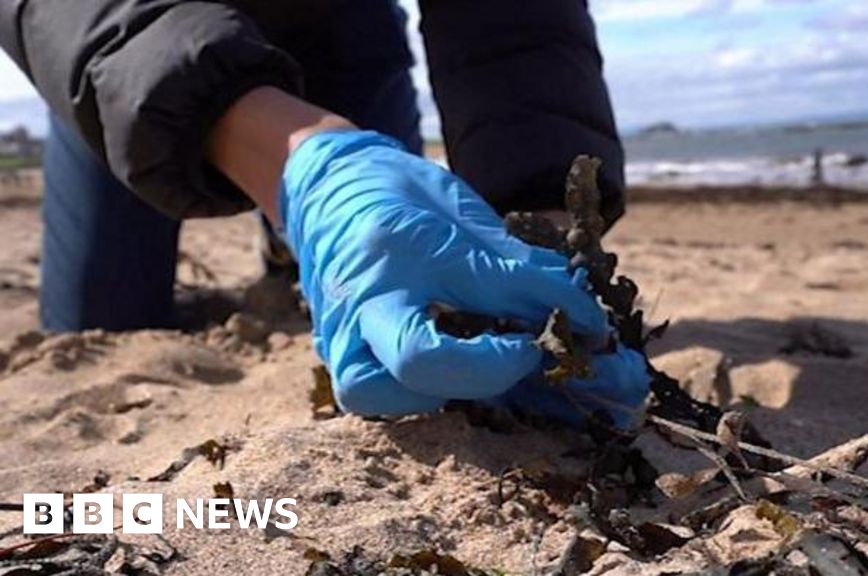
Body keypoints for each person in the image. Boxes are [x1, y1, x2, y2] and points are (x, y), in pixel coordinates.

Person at [0, 0, 649, 427]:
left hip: (339, 31)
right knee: (100, 319)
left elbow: (518, 30)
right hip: (127, 43)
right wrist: (314, 168)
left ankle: (287, 251)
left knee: (401, 260)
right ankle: (291, 219)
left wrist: (540, 232)